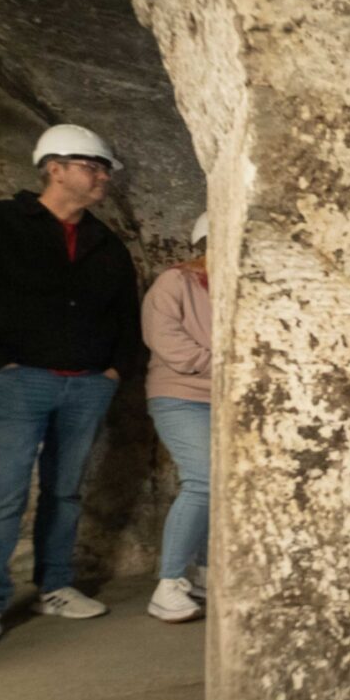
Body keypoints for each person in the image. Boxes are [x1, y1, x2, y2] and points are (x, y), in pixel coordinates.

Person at [0, 124, 143, 656]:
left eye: (104, 170)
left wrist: (115, 371)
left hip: (88, 385)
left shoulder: (105, 244)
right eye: (92, 167)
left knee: (65, 491)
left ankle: (54, 587)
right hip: (20, 380)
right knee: (3, 493)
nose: (103, 178)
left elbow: (127, 317)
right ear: (55, 168)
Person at [142, 213, 211, 622]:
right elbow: (169, 342)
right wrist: (231, 365)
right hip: (180, 396)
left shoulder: (246, 289)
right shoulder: (175, 282)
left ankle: (205, 572)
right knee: (203, 479)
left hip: (227, 400)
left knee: (222, 485)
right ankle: (168, 585)